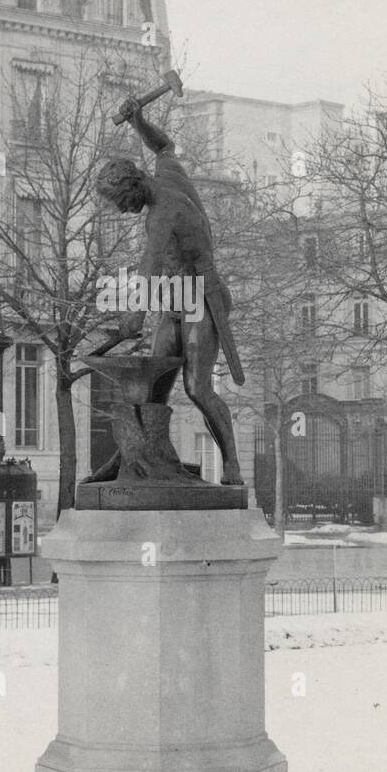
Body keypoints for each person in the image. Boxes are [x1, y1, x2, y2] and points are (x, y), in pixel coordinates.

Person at [90, 94, 244, 485]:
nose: (123, 211)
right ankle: (138, 462)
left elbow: (149, 265)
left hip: (202, 302)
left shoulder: (161, 215)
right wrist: (139, 120)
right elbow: (164, 145)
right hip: (176, 303)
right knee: (149, 388)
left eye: (122, 202)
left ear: (134, 185)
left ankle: (231, 466)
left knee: (197, 388)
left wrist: (134, 315)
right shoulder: (168, 171)